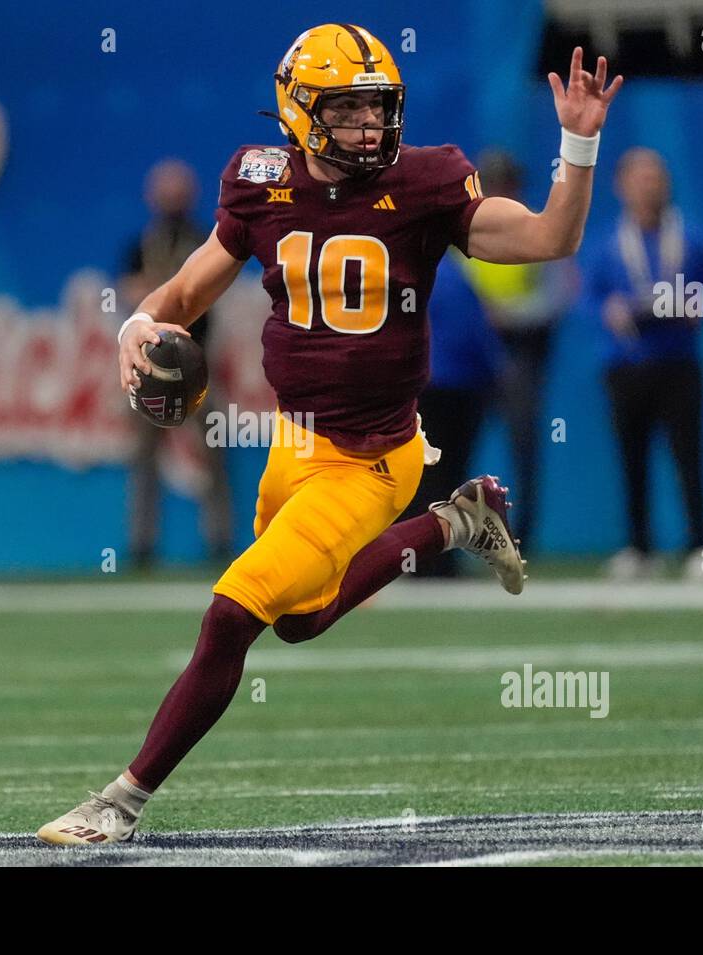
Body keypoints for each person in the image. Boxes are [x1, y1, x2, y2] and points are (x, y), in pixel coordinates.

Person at [37, 24, 622, 845]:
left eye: (377, 111)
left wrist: (578, 144)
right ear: (300, 113)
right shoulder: (259, 181)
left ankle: (121, 800)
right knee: (301, 620)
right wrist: (137, 324)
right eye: (347, 113)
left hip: (373, 459)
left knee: (231, 616)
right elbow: (189, 287)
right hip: (293, 443)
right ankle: (456, 519)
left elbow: (549, 239)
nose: (368, 130)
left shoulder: (426, 183)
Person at [590, 148, 703, 581]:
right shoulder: (608, 243)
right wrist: (609, 312)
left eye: (656, 177)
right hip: (626, 365)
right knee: (631, 459)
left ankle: (700, 547)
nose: (650, 185)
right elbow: (586, 299)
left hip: (678, 362)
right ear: (621, 185)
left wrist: (698, 307)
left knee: (689, 458)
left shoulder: (692, 238)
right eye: (640, 177)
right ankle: (638, 547)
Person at [462, 150, 579, 554]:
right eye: (488, 184)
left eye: (502, 184)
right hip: (466, 358)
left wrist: (506, 315)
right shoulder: (460, 230)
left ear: (515, 188)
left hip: (520, 355)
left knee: (523, 447)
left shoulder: (536, 230)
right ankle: (442, 542)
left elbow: (559, 295)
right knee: (449, 447)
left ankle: (519, 539)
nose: (495, 192)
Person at [120, 159, 232, 569]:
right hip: (149, 367)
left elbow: (209, 291)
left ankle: (219, 540)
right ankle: (141, 546)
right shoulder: (141, 244)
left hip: (196, 363)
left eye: (178, 193)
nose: (172, 201)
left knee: (215, 451)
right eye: (166, 194)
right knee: (144, 457)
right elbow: (130, 291)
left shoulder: (205, 239)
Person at [399, 249, 506, 578]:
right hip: (455, 389)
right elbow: (473, 333)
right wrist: (498, 371)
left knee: (420, 479)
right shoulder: (452, 276)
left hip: (418, 389)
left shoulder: (407, 272)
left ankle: (416, 558)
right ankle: (437, 558)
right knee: (446, 478)